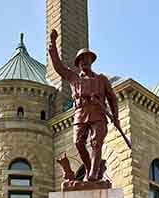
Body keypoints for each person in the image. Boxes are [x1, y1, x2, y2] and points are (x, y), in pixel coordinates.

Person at [48, 29, 119, 182]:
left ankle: (93, 174)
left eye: (87, 58)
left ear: (91, 61)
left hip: (98, 113)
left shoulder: (102, 79)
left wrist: (116, 117)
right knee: (78, 142)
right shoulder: (73, 78)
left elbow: (112, 98)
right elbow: (58, 67)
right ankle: (91, 168)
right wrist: (52, 44)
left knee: (96, 142)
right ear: (78, 63)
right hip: (80, 112)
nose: (84, 61)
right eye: (81, 59)